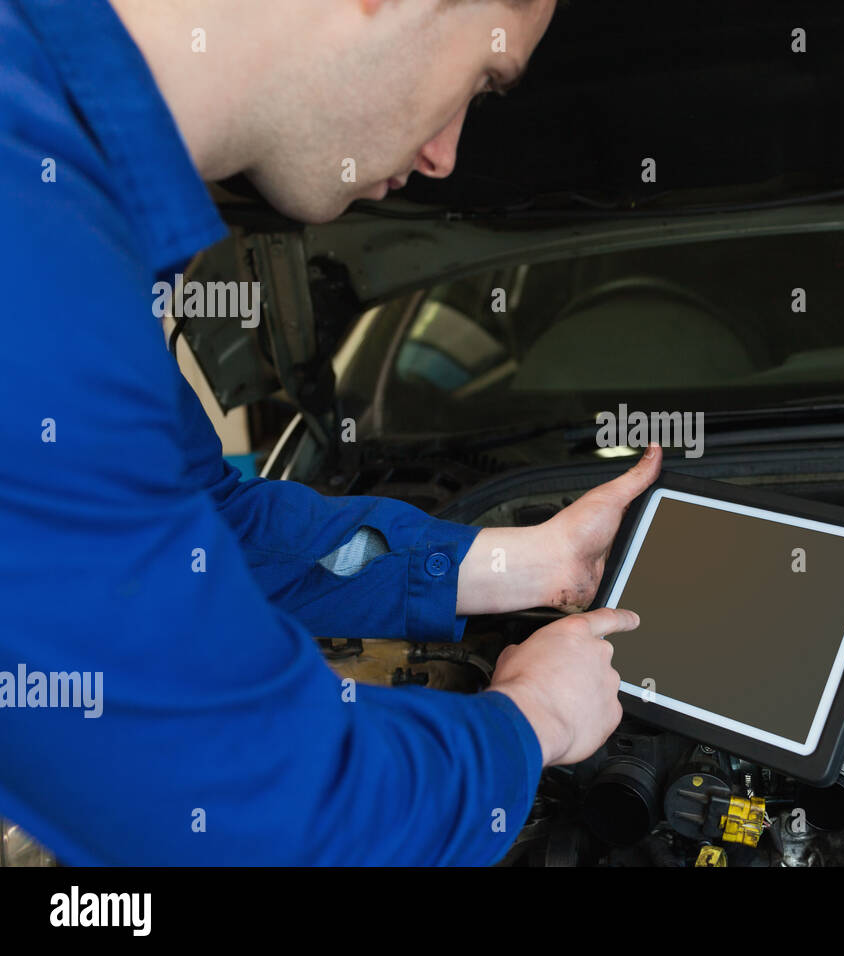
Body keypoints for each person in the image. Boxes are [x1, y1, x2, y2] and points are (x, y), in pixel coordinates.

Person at [0, 0, 655, 864]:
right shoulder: (38, 258)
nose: (445, 154)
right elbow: (252, 812)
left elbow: (220, 531)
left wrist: (532, 563)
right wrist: (532, 718)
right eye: (479, 81)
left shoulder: (53, 178)